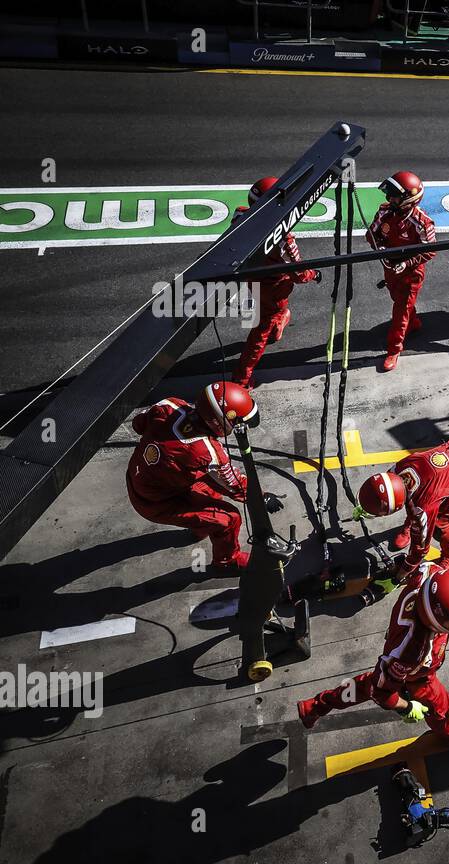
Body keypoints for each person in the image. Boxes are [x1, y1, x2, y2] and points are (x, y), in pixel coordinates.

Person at [296, 566, 449, 746]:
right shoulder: (413, 651)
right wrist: (405, 707)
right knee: (440, 704)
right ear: (440, 622)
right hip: (419, 675)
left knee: (366, 685)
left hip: (402, 643)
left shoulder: (429, 572)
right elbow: (381, 692)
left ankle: (315, 707)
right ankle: (448, 732)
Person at [125, 382, 259, 573]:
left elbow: (138, 424)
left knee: (211, 491)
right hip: (157, 503)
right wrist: (262, 497)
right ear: (219, 421)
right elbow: (235, 486)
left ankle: (200, 528)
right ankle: (227, 561)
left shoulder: (169, 405)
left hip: (139, 477)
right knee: (229, 519)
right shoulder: (208, 453)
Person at [230, 177, 320, 389]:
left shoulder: (240, 215)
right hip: (273, 287)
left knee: (273, 313)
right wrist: (314, 274)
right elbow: (298, 273)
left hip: (251, 279)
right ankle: (242, 379)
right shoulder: (283, 238)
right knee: (260, 331)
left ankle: (278, 324)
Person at [355, 435, 449, 576]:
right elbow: (400, 493)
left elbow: (420, 549)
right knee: (412, 502)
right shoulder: (395, 472)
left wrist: (403, 572)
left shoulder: (423, 507)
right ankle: (411, 526)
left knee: (440, 522)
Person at [367, 170, 436, 373]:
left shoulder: (422, 222)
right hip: (389, 268)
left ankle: (394, 350)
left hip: (411, 273)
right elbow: (372, 234)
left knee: (400, 310)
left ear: (408, 199)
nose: (389, 198)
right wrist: (377, 245)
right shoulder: (384, 211)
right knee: (398, 300)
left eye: (394, 195)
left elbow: (430, 250)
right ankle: (413, 323)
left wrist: (406, 264)